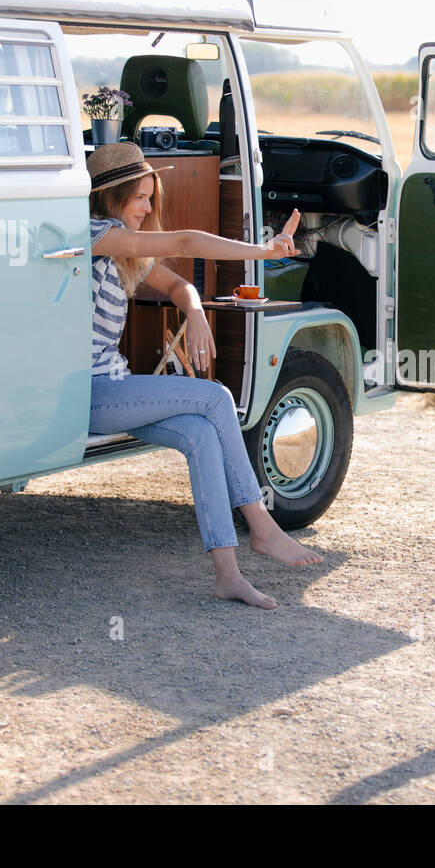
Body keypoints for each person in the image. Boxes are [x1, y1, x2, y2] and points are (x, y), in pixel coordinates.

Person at [85, 142, 321, 609]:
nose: (148, 208)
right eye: (140, 198)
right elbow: (186, 242)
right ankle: (262, 526)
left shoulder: (124, 248)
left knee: (201, 433)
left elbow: (177, 284)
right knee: (214, 398)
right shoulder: (96, 235)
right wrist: (263, 250)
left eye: (150, 197)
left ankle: (227, 574)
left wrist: (194, 312)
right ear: (112, 196)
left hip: (112, 387)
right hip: (89, 392)